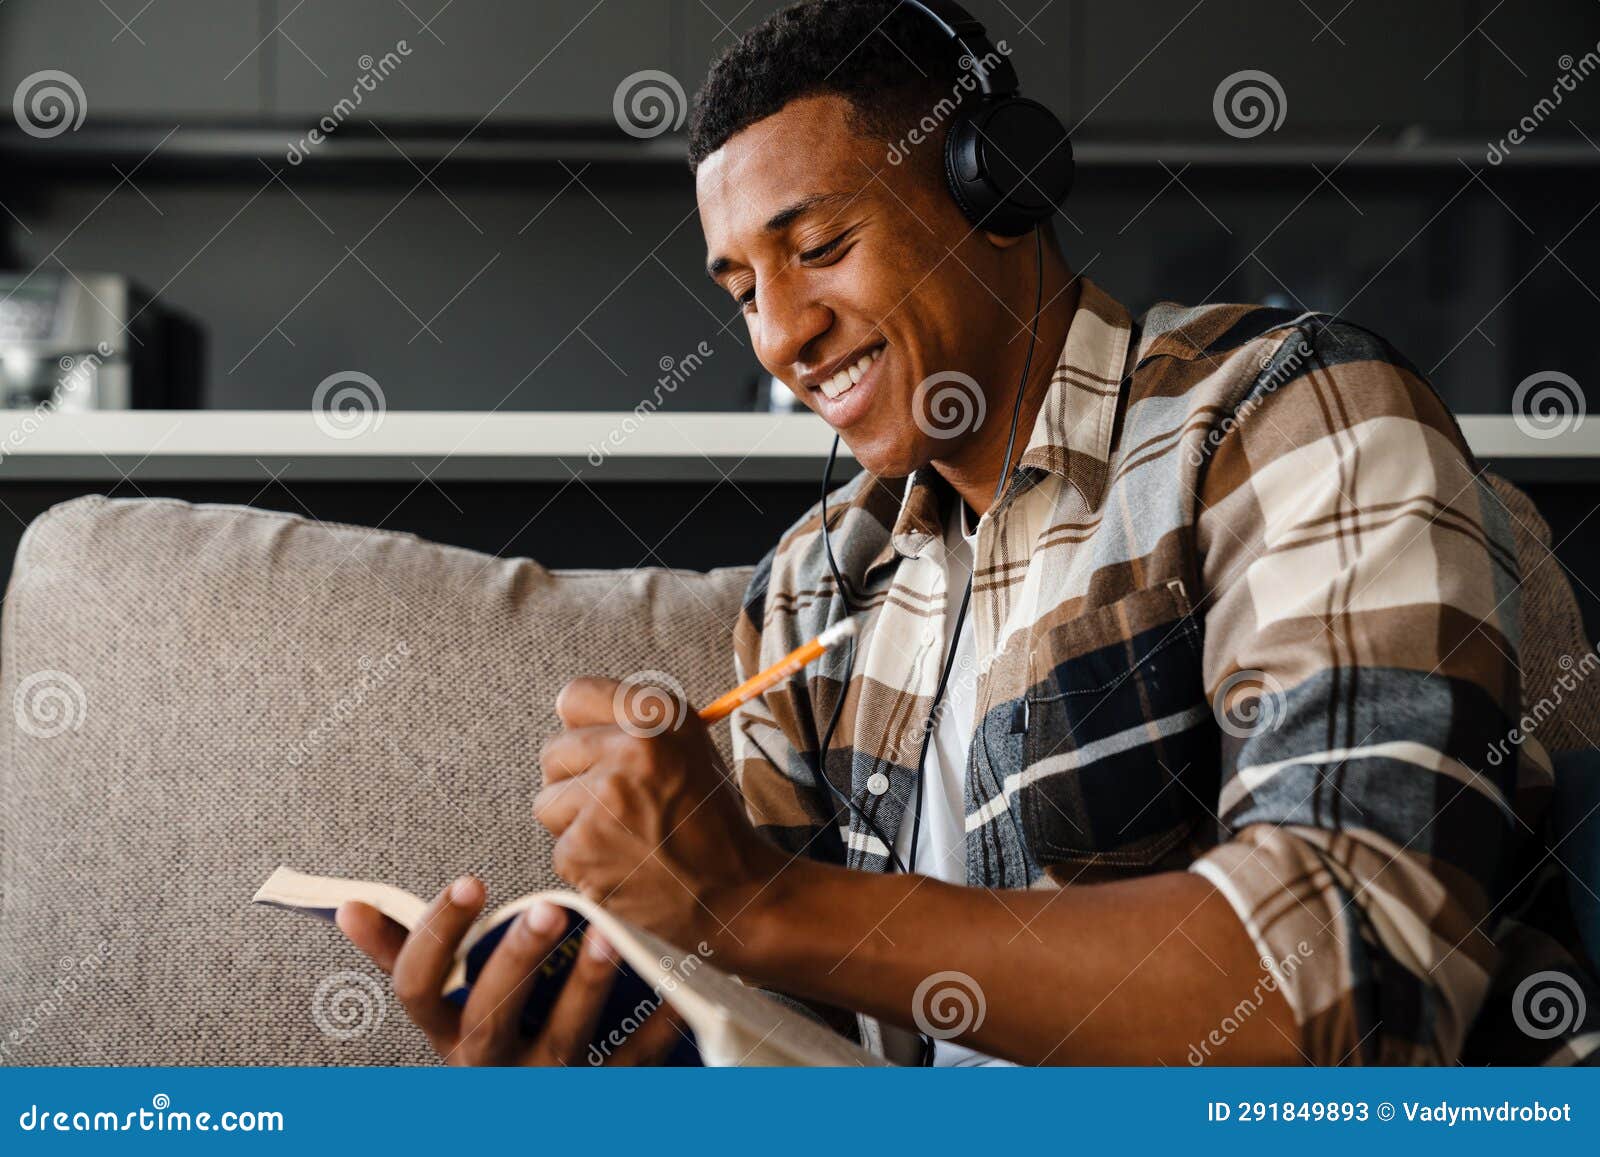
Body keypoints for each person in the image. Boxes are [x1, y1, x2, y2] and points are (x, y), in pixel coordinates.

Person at [337, 0, 1599, 1066]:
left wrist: (762, 900)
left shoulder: (1282, 418)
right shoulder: (807, 597)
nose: (779, 335)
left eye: (819, 246)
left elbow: (1350, 965)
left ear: (1000, 185)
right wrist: (596, 1036)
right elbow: (800, 1047)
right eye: (741, 290)